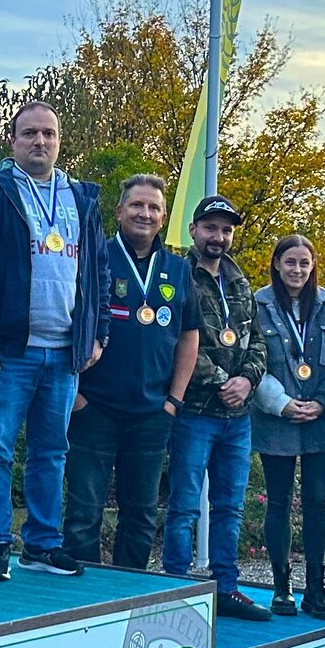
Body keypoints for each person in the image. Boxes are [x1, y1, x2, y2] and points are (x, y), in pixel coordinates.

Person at [0, 100, 109, 581]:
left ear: (59, 140)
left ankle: (43, 545)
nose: (40, 142)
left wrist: (98, 334)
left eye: (48, 133)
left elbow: (98, 270)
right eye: (29, 133)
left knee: (52, 451)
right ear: (13, 141)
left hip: (65, 348)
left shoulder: (82, 197)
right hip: (10, 346)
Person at [61, 175, 199, 568]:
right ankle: (85, 605)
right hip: (94, 409)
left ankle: (128, 595)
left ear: (164, 216)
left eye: (154, 207)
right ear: (120, 211)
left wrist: (174, 400)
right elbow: (68, 322)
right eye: (137, 205)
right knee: (83, 514)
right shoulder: (94, 256)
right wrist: (76, 395)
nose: (145, 213)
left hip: (152, 414)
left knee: (140, 516)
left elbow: (189, 336)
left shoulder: (178, 268)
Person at [161, 196, 271, 621]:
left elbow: (257, 340)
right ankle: (173, 586)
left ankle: (225, 586)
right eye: (210, 228)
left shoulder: (240, 281)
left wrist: (248, 380)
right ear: (193, 230)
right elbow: (176, 339)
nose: (218, 237)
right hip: (195, 411)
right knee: (185, 504)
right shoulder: (177, 274)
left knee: (230, 506)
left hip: (237, 417)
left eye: (225, 230)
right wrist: (222, 381)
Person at [249, 234, 325, 618]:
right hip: (275, 421)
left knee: (316, 503)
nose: (297, 270)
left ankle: (317, 586)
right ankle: (282, 587)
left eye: (304, 263)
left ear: (312, 267)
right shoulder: (256, 306)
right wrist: (282, 404)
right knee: (277, 502)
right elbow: (249, 360)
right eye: (290, 262)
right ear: (276, 263)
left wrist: (322, 403)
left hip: (321, 423)